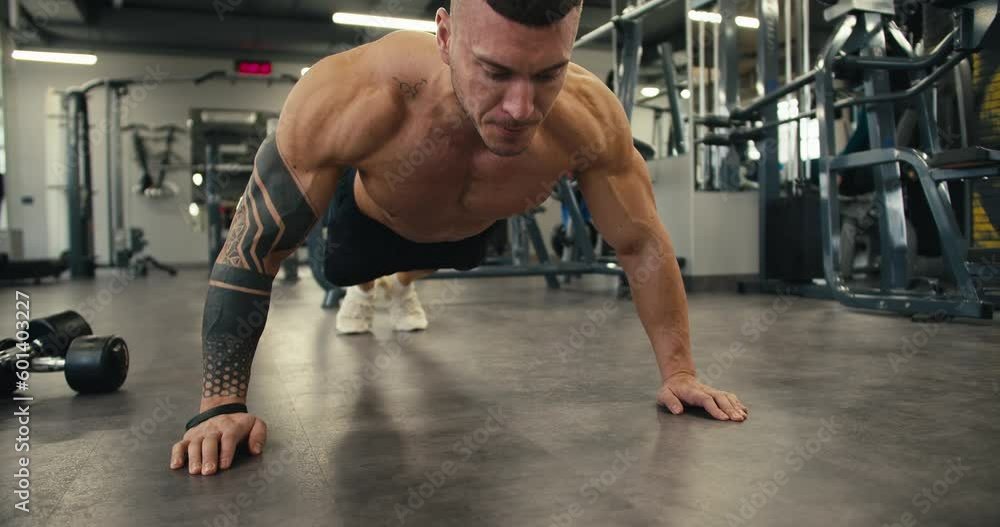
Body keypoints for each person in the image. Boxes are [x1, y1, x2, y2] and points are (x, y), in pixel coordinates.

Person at [171, 0, 749, 477]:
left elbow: (641, 243)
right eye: (495, 71)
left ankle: (402, 285)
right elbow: (253, 248)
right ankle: (369, 287)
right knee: (348, 273)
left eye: (548, 74)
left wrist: (680, 373)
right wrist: (221, 404)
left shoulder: (588, 117)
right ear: (445, 36)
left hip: (468, 234)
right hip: (367, 229)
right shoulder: (355, 93)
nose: (522, 109)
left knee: (461, 248)